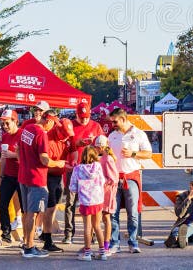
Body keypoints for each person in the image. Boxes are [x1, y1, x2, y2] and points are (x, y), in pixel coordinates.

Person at [17, 107, 66, 258]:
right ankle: (30, 247)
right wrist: (58, 164)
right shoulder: (41, 133)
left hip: (23, 175)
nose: (54, 127)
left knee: (26, 213)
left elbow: (18, 149)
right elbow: (44, 159)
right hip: (37, 178)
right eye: (54, 124)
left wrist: (24, 162)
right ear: (49, 121)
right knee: (33, 213)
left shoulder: (27, 128)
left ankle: (26, 244)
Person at [108, 107, 152, 254]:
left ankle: (133, 242)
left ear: (123, 119)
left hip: (131, 177)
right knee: (112, 212)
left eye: (114, 121)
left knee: (132, 212)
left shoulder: (138, 134)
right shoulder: (112, 136)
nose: (112, 124)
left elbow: (148, 154)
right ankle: (115, 243)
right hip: (114, 178)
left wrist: (133, 153)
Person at [65, 102, 103, 244]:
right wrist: (77, 144)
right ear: (76, 115)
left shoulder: (96, 126)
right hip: (75, 168)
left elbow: (103, 147)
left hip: (91, 171)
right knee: (70, 202)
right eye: (81, 117)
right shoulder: (71, 126)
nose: (84, 120)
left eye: (86, 117)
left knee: (91, 202)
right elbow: (66, 146)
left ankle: (92, 234)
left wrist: (95, 145)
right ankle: (69, 233)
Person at [42, 112, 75, 252]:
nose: (67, 137)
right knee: (49, 209)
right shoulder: (48, 139)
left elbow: (73, 148)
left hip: (59, 177)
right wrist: (60, 164)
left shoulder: (67, 138)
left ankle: (45, 234)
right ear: (58, 130)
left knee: (54, 207)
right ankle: (47, 240)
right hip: (48, 176)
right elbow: (44, 162)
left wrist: (72, 160)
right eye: (65, 134)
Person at [70, 145, 106, 261]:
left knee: (87, 226)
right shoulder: (98, 167)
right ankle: (102, 252)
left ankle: (87, 253)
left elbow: (73, 187)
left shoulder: (78, 169)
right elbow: (102, 181)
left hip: (85, 202)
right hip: (97, 200)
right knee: (97, 226)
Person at [166, 174, 193, 248]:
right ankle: (179, 239)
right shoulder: (182, 196)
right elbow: (179, 214)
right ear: (190, 185)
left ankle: (177, 238)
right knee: (178, 228)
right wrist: (188, 198)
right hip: (183, 224)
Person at [0, 109, 22, 245]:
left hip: (21, 175)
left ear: (15, 121)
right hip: (8, 175)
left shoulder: (22, 134)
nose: (4, 126)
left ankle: (29, 238)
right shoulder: (5, 136)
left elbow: (27, 157)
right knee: (2, 205)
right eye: (3, 123)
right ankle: (6, 235)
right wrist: (0, 177)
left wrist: (13, 155)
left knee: (25, 208)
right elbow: (3, 157)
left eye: (7, 123)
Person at [95, 135, 118, 255]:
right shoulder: (102, 158)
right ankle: (103, 245)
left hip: (107, 192)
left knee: (106, 217)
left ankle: (106, 245)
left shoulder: (108, 158)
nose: (96, 149)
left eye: (97, 147)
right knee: (102, 218)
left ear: (101, 146)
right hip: (101, 192)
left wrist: (102, 184)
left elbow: (114, 178)